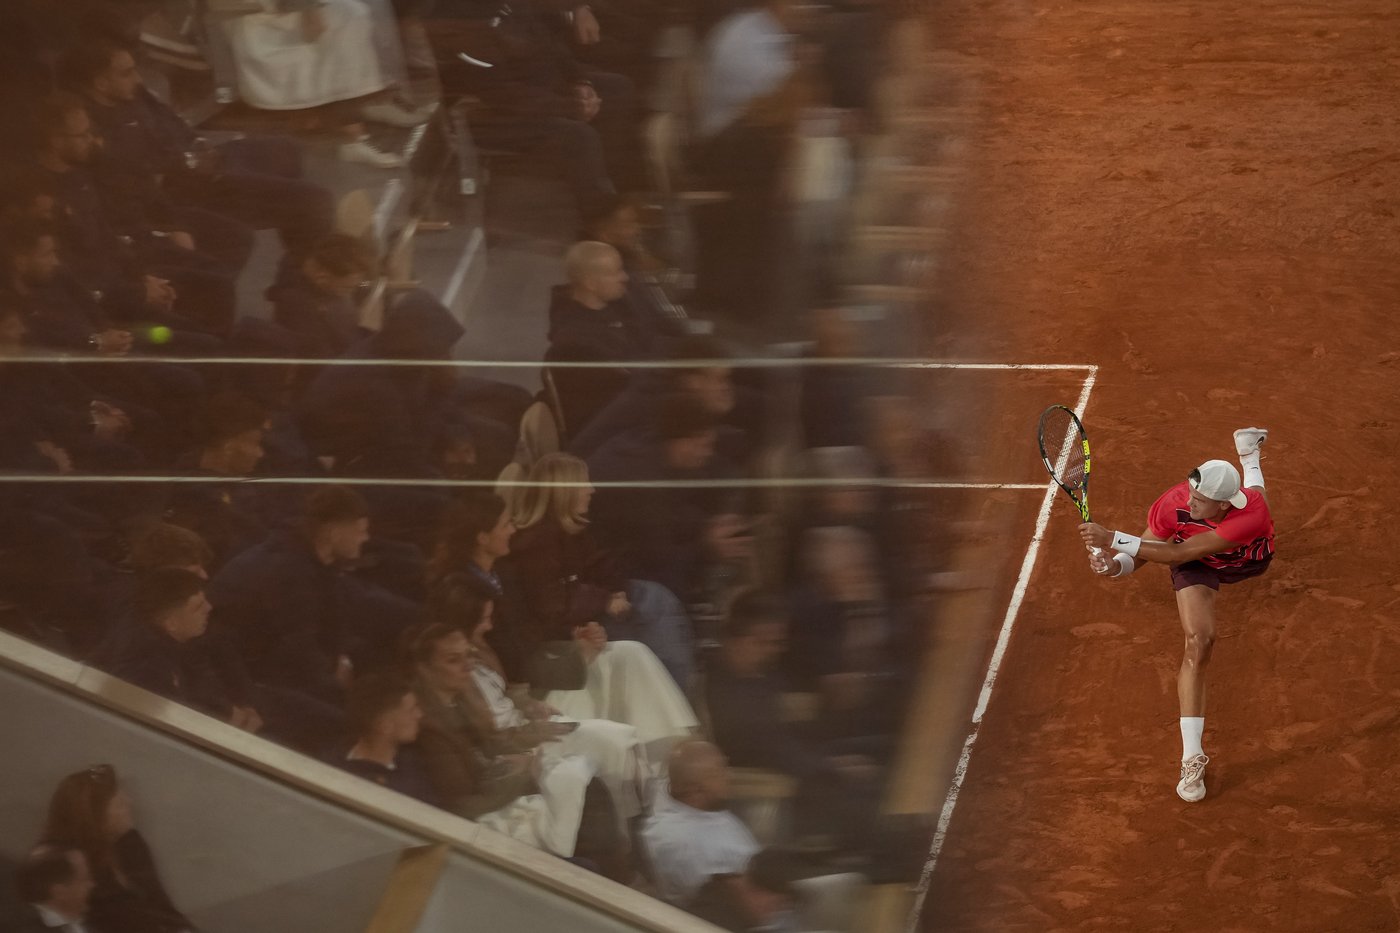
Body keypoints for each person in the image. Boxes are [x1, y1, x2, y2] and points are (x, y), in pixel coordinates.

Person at [1079, 427, 1274, 802]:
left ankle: (1249, 457)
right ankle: (1192, 756)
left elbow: (1178, 553)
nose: (1190, 502)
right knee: (1200, 641)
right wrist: (1115, 566)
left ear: (1223, 504)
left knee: (1260, 498)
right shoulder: (1174, 502)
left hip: (1243, 560)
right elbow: (1149, 550)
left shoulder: (1247, 513)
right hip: (1198, 565)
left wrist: (1112, 538)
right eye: (1191, 492)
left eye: (1200, 501)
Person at [430, 491, 698, 749]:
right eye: (506, 524)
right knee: (604, 675)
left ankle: (676, 751)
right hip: (525, 693)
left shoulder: (505, 575)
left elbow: (534, 629)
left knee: (630, 653)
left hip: (544, 666)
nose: (513, 529)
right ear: (482, 538)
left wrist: (574, 639)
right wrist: (573, 658)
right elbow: (504, 661)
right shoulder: (461, 595)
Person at [61, 34, 335, 261]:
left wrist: (198, 145)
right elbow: (139, 175)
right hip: (189, 187)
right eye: (126, 73)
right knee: (315, 202)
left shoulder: (133, 94)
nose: (137, 79)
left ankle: (300, 256)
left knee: (286, 151)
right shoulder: (93, 126)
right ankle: (309, 287)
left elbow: (172, 122)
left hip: (202, 157)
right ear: (100, 83)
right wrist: (191, 162)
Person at [414, 583, 648, 822]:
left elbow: (504, 693)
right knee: (610, 742)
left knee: (620, 740)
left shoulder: (478, 650)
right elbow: (487, 746)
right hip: (517, 743)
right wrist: (528, 740)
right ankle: (627, 824)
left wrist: (529, 705)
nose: (490, 625)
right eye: (482, 619)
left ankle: (634, 819)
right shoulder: (445, 707)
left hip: (524, 727)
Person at [405, 615, 621, 862]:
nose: (467, 667)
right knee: (579, 789)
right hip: (482, 818)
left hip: (499, 784)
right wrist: (522, 774)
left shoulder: (460, 701)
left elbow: (492, 744)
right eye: (453, 660)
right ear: (423, 667)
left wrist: (528, 745)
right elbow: (462, 803)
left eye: (468, 656)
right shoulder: (431, 729)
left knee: (586, 782)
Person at [209, 485, 420, 708]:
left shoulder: (313, 560)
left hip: (281, 663)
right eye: (360, 530)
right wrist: (343, 692)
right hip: (249, 678)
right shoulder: (289, 572)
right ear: (334, 532)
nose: (365, 538)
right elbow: (298, 651)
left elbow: (328, 628)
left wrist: (343, 659)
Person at [509, 452, 695, 689]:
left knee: (655, 599)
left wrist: (616, 591)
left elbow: (600, 566)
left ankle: (676, 685)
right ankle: (676, 689)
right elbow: (551, 604)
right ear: (563, 490)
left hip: (587, 611)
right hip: (562, 630)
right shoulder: (536, 543)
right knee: (653, 606)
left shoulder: (573, 532)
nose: (592, 490)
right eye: (584, 484)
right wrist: (604, 600)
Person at [220, 0, 431, 168]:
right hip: (254, 15)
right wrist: (310, 10)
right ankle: (352, 134)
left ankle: (366, 107)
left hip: (283, 8)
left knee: (354, 13)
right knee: (345, 24)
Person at [41, 764, 195, 933]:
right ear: (96, 817)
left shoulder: (131, 844)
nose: (130, 803)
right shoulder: (66, 869)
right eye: (120, 804)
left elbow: (162, 907)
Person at [641, 738, 759, 905]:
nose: (729, 776)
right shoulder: (679, 841)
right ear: (695, 790)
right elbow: (731, 899)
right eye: (718, 773)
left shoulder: (703, 803)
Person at [335, 671, 441, 803]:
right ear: (385, 726)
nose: (419, 714)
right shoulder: (347, 779)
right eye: (411, 710)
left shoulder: (409, 759)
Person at [266, 233, 375, 358]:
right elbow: (321, 361)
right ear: (322, 277)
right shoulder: (300, 309)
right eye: (348, 288)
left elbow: (362, 285)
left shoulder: (330, 283)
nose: (354, 289)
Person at [10, 844, 96, 933]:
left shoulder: (84, 924)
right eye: (84, 880)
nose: (92, 885)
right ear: (59, 892)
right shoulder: (25, 928)